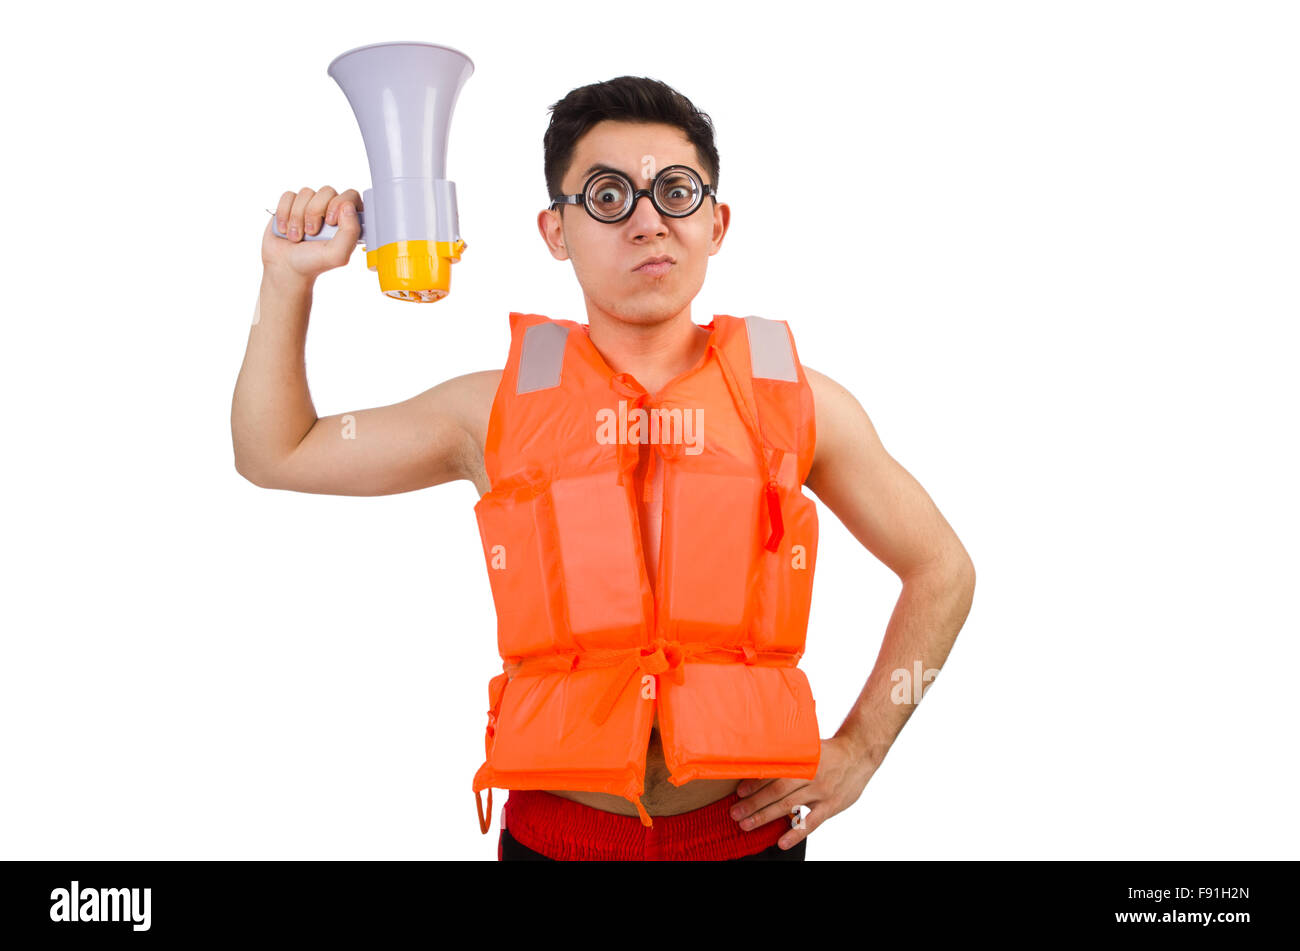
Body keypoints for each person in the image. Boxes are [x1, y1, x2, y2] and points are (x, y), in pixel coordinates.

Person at [231, 75, 976, 861]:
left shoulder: (804, 403)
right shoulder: (488, 411)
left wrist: (862, 749)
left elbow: (943, 570)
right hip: (557, 842)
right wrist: (286, 280)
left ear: (717, 223)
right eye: (609, 196)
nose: (649, 222)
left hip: (748, 840)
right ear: (556, 230)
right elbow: (276, 450)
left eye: (676, 192)